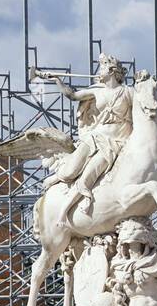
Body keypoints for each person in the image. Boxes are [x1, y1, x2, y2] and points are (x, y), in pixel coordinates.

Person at [43, 56, 148, 219]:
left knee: (90, 173)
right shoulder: (96, 91)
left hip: (117, 142)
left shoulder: (128, 92)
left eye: (102, 68)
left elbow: (146, 111)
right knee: (71, 169)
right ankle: (59, 178)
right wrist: (57, 80)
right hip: (95, 137)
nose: (99, 72)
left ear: (112, 71)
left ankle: (78, 201)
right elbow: (72, 95)